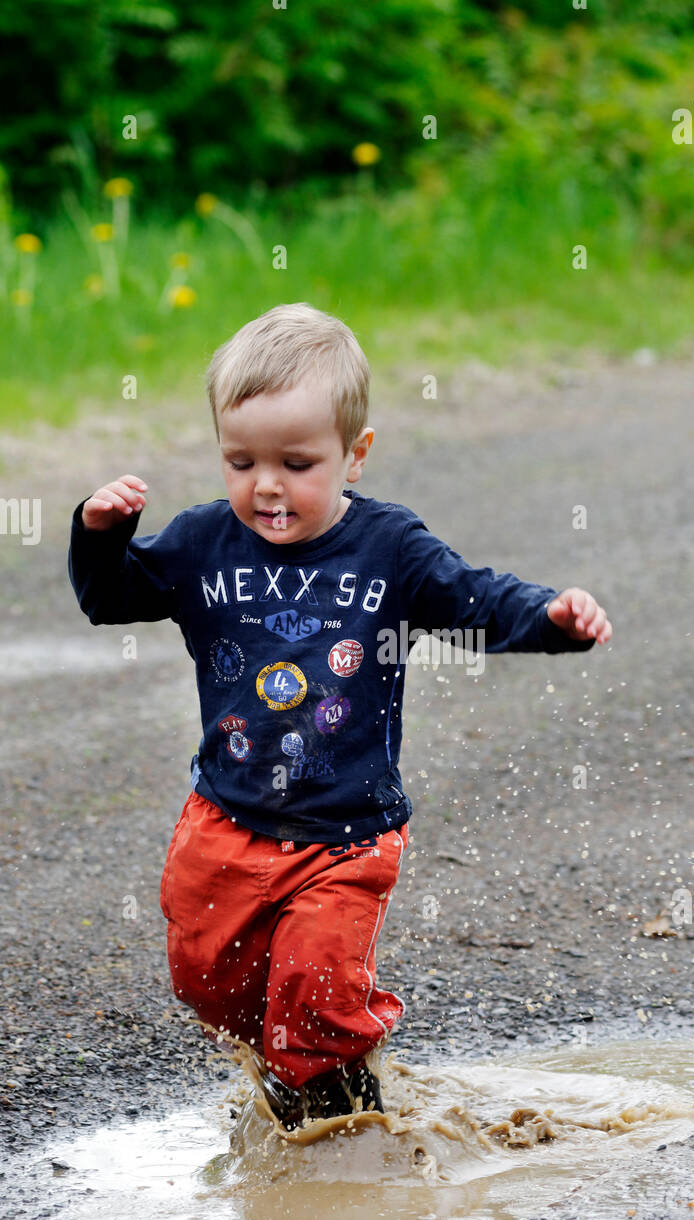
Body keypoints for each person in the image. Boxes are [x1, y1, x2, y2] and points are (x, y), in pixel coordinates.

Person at [67, 302, 612, 1130]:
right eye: (240, 460)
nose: (267, 486)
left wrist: (550, 619)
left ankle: (344, 1128)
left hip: (345, 834)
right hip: (225, 819)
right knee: (205, 979)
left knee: (315, 983)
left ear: (354, 454)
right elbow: (110, 598)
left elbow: (474, 599)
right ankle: (286, 1069)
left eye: (296, 461)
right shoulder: (203, 542)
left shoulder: (387, 548)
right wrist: (100, 533)